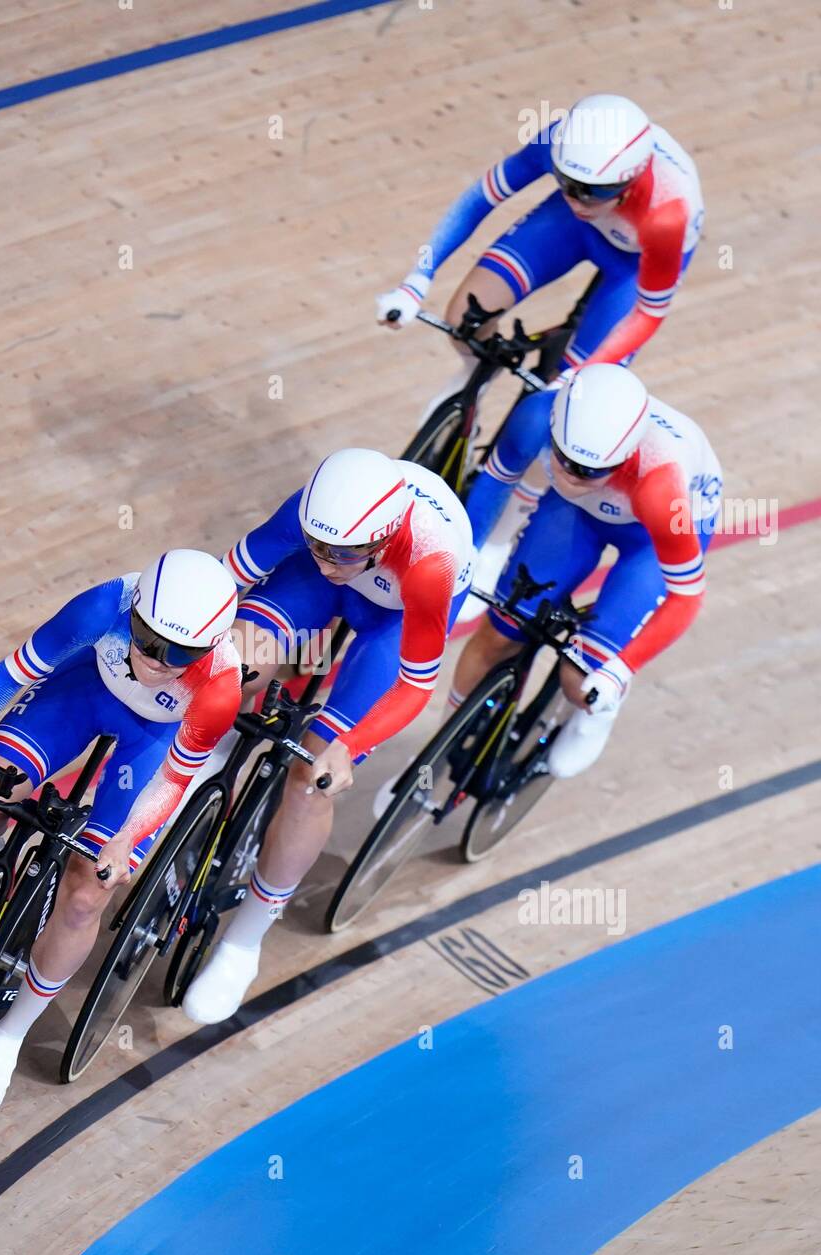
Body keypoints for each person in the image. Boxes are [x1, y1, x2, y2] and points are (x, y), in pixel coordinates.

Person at [0, 550, 241, 1110]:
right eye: (147, 638)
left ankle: (8, 1037)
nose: (156, 660)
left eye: (178, 653)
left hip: (149, 741)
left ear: (207, 650)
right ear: (133, 609)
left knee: (87, 893)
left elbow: (175, 779)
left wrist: (125, 841)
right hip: (82, 689)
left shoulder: (219, 688)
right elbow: (13, 672)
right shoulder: (102, 606)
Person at [181, 449, 474, 1024]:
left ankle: (243, 943)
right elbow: (224, 579)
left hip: (394, 618)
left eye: (342, 552)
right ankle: (203, 767)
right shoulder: (315, 524)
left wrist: (344, 749)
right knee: (238, 665)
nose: (328, 558)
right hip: (313, 590)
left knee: (310, 779)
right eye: (317, 544)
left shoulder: (429, 563)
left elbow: (415, 687)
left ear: (384, 536)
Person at [376, 93, 705, 604]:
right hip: (569, 235)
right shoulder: (561, 144)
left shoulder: (668, 211)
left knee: (565, 418)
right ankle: (466, 395)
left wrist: (575, 381)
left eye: (594, 191)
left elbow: (646, 312)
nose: (577, 196)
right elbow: (481, 198)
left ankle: (502, 535)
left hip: (631, 270)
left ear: (630, 180)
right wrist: (417, 280)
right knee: (468, 310)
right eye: (568, 183)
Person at [447, 363, 722, 780]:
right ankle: (439, 750)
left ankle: (597, 714)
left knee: (580, 680)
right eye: (562, 456)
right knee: (498, 633)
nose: (568, 473)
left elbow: (687, 596)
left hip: (649, 537)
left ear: (625, 456)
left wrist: (619, 670)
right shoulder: (537, 416)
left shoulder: (659, 486)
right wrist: (467, 553)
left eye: (588, 469)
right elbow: (494, 484)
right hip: (580, 510)